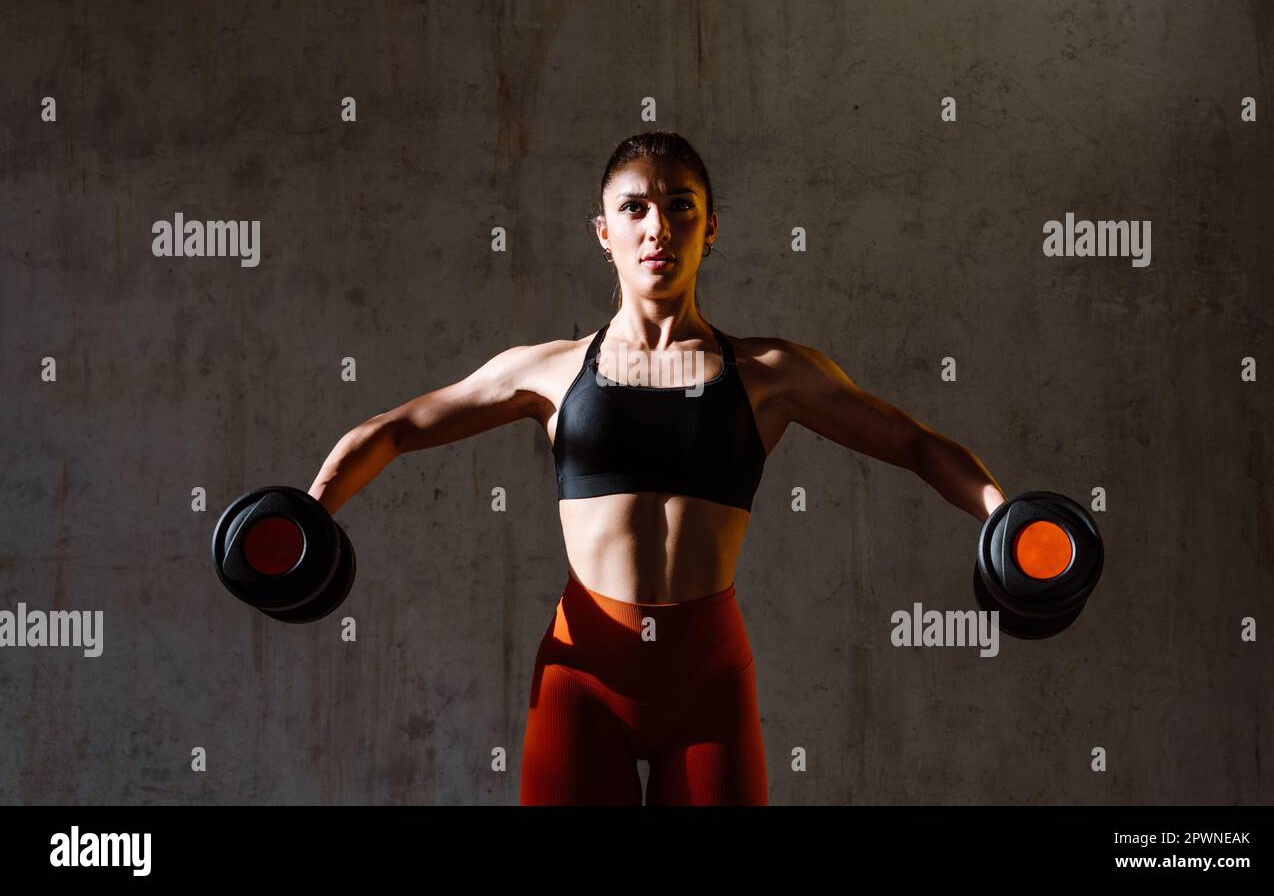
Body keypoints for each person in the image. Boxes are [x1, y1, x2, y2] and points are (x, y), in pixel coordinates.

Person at [307, 131, 1007, 805]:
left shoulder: (770, 375)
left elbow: (914, 444)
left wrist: (1007, 522)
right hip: (582, 674)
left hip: (707, 679)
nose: (657, 227)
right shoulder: (549, 371)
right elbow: (394, 430)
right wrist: (308, 517)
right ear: (603, 233)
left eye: (680, 205)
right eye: (634, 207)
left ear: (711, 227)